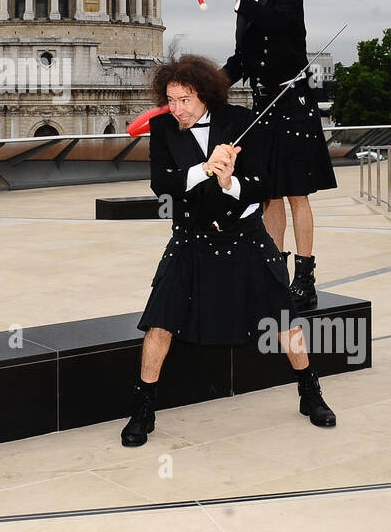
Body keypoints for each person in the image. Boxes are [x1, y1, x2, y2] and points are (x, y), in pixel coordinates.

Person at [121, 55, 336, 448]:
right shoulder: (163, 128)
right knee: (159, 322)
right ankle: (143, 408)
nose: (176, 109)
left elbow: (263, 183)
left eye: (184, 100)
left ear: (204, 95)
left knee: (285, 319)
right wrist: (204, 168)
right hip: (191, 238)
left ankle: (310, 392)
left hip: (245, 236)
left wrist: (229, 181)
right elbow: (162, 185)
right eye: (170, 99)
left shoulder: (240, 123)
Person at [206, 0, 337, 310]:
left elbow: (276, 23)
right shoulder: (250, 5)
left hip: (292, 104)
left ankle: (305, 281)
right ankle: (275, 278)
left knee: (298, 194)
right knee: (270, 195)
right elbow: (240, 61)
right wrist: (206, 88)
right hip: (264, 107)